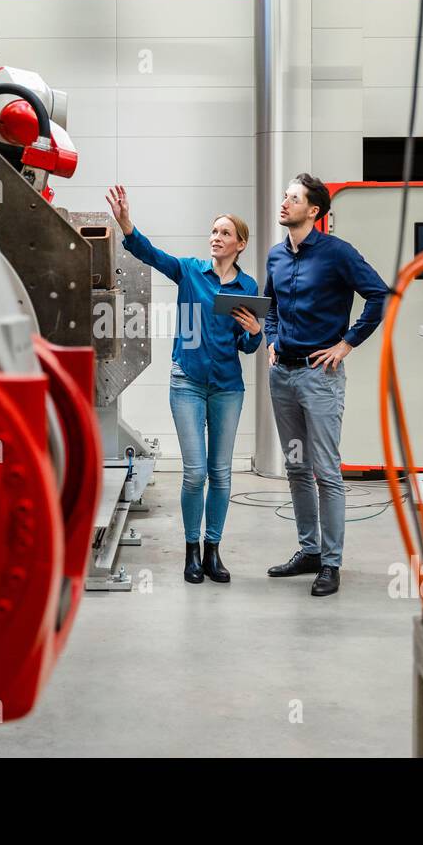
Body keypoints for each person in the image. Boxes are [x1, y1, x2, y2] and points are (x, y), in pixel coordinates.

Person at [106, 185, 262, 585]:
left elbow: (246, 346)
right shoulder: (191, 271)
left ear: (240, 244)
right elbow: (152, 256)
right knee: (195, 473)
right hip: (188, 383)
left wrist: (255, 331)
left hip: (228, 388)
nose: (216, 237)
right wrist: (127, 225)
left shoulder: (247, 289)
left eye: (225, 233)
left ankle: (214, 551)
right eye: (213, 231)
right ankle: (191, 551)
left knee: (221, 473)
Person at [263, 173, 389, 597]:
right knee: (297, 467)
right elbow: (271, 306)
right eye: (284, 196)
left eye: (292, 198)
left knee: (326, 472)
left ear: (313, 211)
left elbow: (379, 296)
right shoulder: (276, 256)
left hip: (320, 378)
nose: (284, 203)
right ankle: (309, 551)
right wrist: (270, 340)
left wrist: (347, 344)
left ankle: (332, 563)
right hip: (283, 376)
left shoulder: (338, 254)